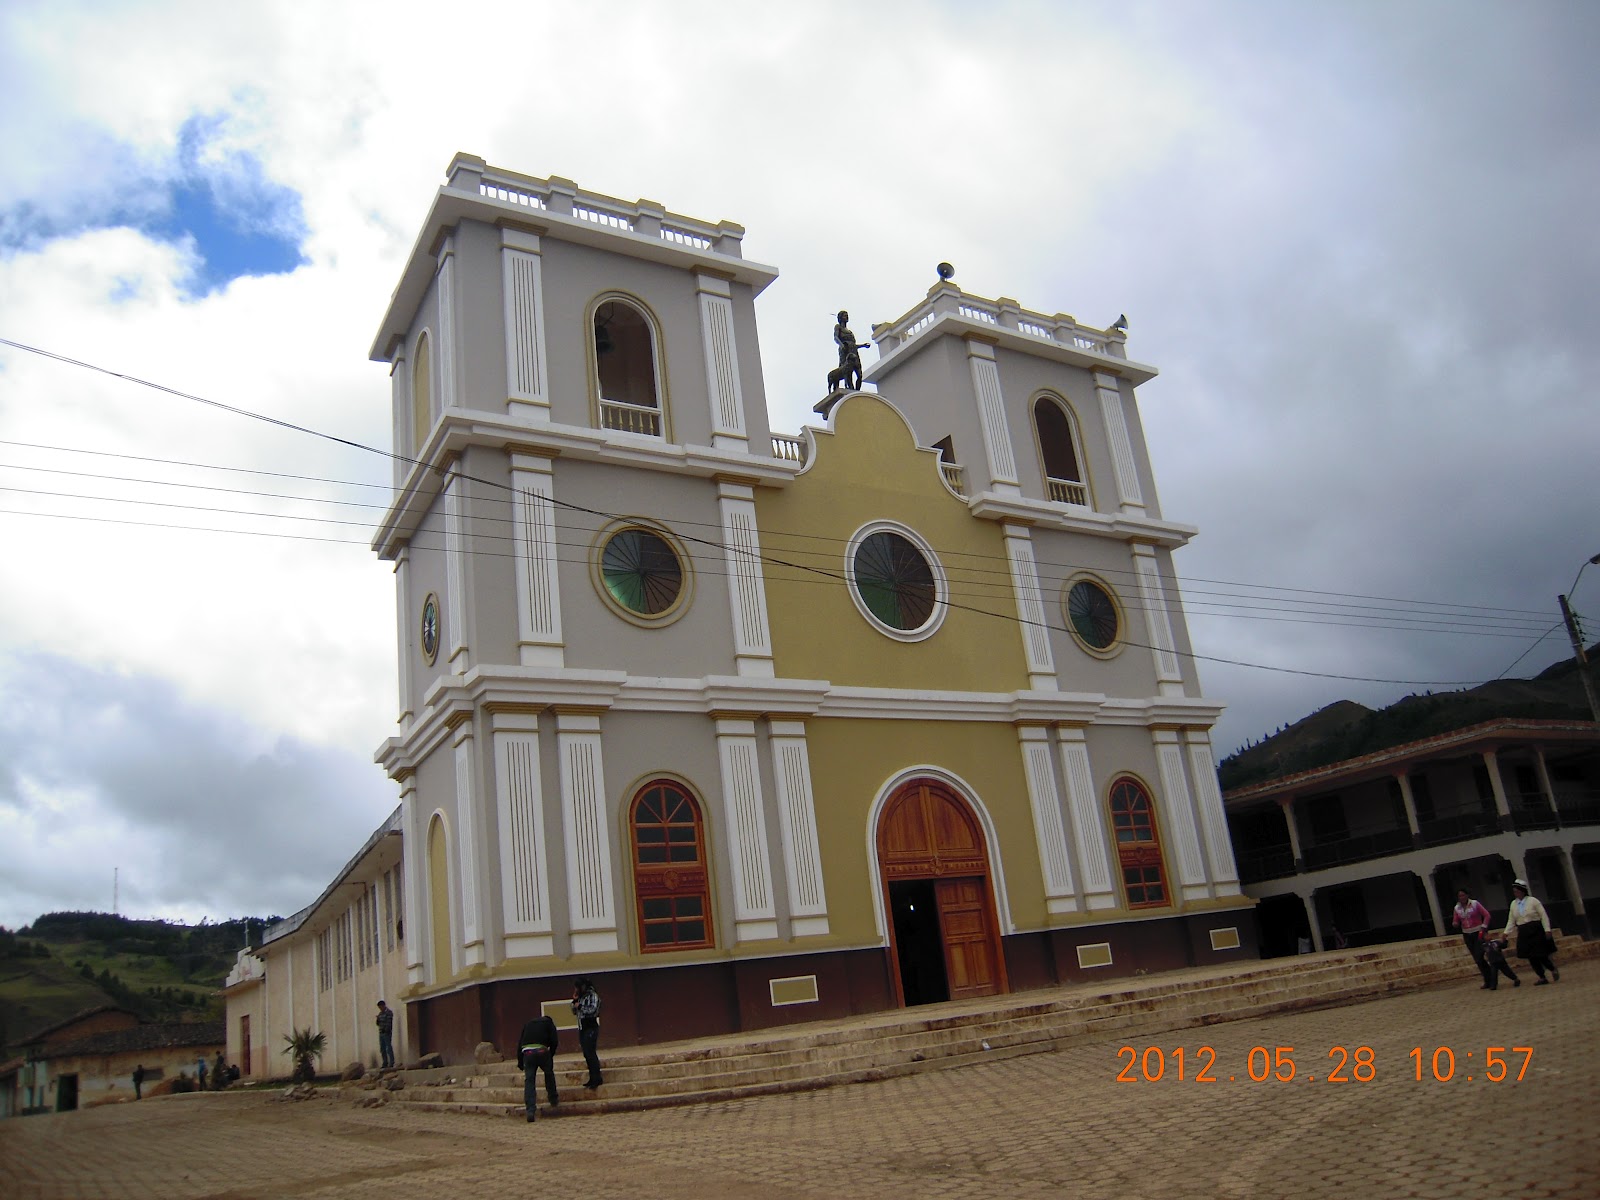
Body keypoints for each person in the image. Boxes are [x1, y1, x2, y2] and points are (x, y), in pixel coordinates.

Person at [1503, 879, 1560, 984]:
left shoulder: (1533, 901)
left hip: (1536, 930)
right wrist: (1506, 932)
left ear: (1522, 891)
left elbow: (1543, 915)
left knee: (1540, 954)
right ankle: (1541, 976)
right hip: (1524, 931)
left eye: (1517, 891)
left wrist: (1547, 929)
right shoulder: (1513, 904)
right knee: (1531, 956)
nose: (1515, 893)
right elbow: (1511, 920)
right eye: (1514, 891)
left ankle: (1552, 968)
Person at [517, 1010, 560, 1122]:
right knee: (548, 1073)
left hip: (527, 1052)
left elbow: (520, 1043)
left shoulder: (528, 1024)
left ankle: (530, 1110)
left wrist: (520, 1062)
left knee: (529, 1080)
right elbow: (554, 1041)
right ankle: (553, 1099)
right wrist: (550, 1055)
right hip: (542, 1051)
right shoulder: (549, 1023)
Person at [1451, 888, 1498, 989]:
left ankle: (1491, 978)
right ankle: (1488, 979)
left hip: (1478, 932)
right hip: (1467, 934)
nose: (1462, 898)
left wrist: (1484, 927)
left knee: (1479, 956)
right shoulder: (1457, 908)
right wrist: (1455, 923)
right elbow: (1456, 920)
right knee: (1477, 959)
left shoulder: (1475, 904)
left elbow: (1487, 915)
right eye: (1460, 896)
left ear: (1467, 895)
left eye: (1463, 895)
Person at [572, 977, 603, 1089]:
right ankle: (592, 1078)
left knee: (590, 1052)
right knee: (586, 1053)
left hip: (591, 1027)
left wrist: (580, 1006)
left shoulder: (593, 995)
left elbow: (593, 1010)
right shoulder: (581, 997)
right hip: (582, 1027)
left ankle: (597, 1078)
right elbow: (574, 1011)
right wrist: (575, 1001)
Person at [376, 1000, 396, 1069]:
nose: (380, 1009)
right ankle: (385, 1062)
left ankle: (391, 1062)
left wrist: (385, 1029)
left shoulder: (389, 1013)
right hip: (381, 1033)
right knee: (382, 1048)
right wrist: (377, 1019)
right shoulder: (380, 1014)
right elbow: (378, 1024)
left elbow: (389, 1022)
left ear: (383, 1005)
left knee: (388, 1047)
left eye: (380, 1007)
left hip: (387, 1033)